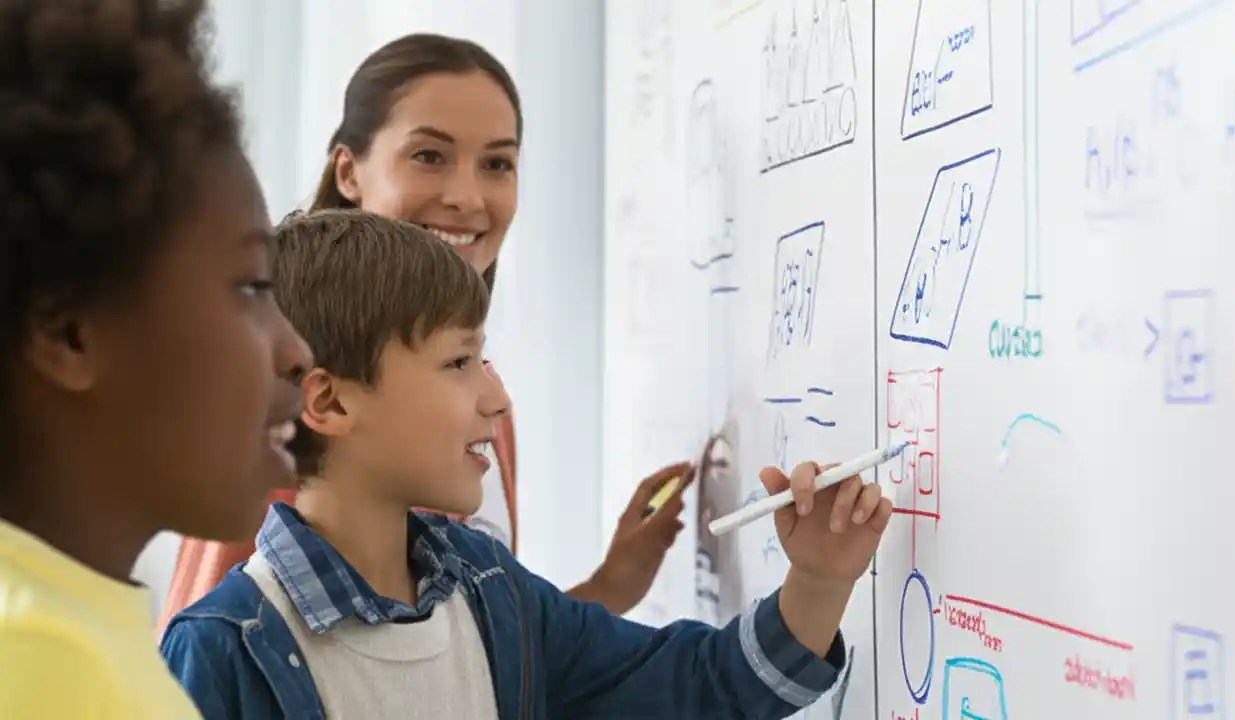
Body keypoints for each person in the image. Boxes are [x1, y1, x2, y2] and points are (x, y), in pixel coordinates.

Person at [160, 209, 893, 719]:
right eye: (458, 362)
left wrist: (821, 578)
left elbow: (695, 689)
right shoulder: (222, 653)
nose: (497, 398)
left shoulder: (488, 592)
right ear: (328, 403)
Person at [157, 32, 692, 628]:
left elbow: (465, 651)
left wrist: (610, 584)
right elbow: (218, 650)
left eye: (497, 164)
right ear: (349, 172)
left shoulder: (482, 400)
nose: (467, 198)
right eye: (429, 156)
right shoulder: (282, 394)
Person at [0, 0, 313, 716]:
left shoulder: (74, 640)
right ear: (71, 331)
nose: (297, 351)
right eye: (250, 286)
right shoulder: (41, 667)